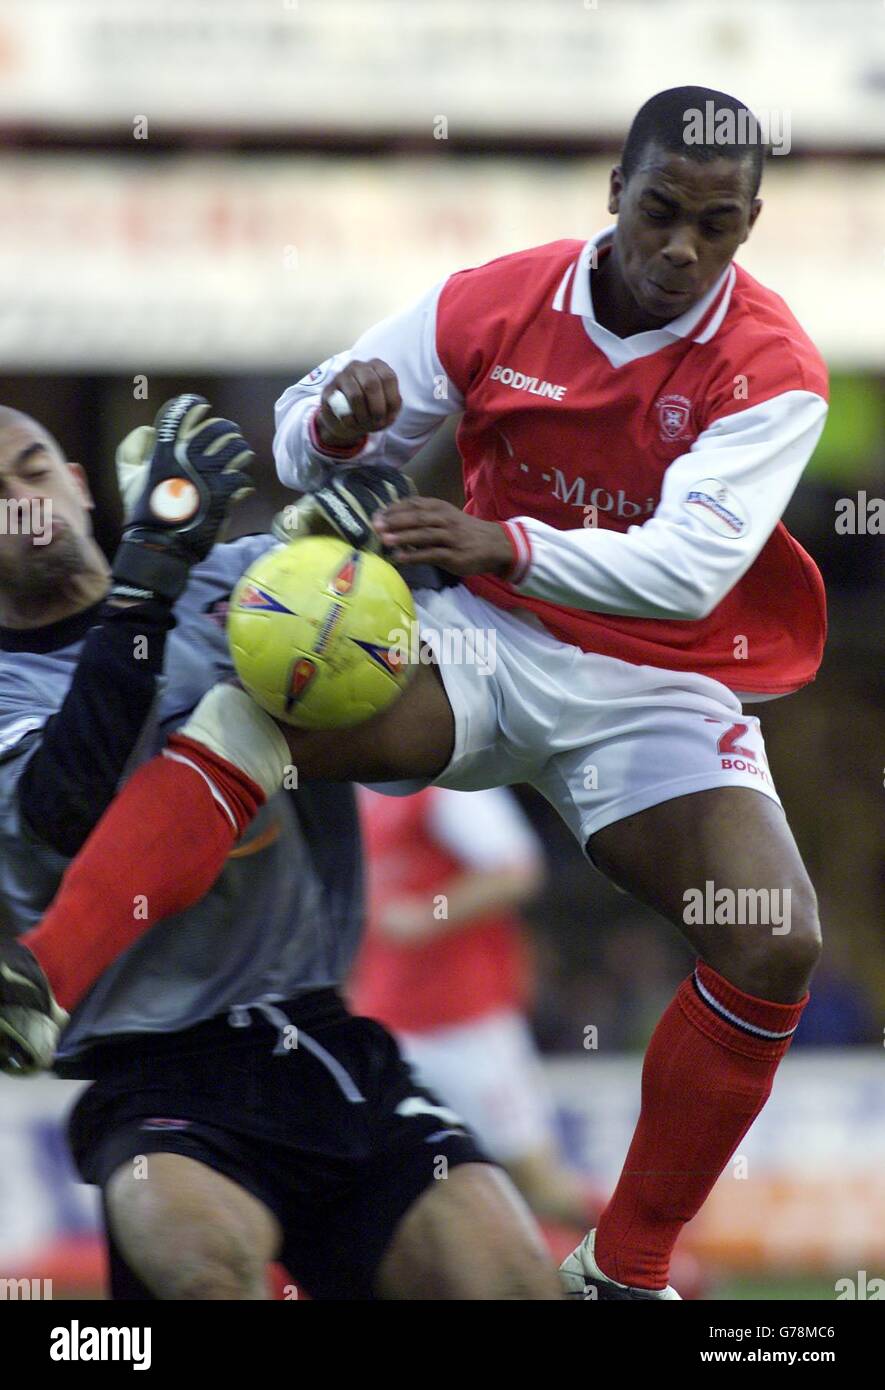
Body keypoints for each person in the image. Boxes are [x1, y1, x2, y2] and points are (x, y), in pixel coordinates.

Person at [8, 83, 828, 1300]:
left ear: (749, 224)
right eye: (660, 211)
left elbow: (690, 567)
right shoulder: (494, 302)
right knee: (269, 691)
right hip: (488, 644)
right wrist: (343, 428)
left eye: (717, 226)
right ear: (615, 188)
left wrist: (514, 545)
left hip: (659, 674)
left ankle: (630, 1269)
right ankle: (47, 976)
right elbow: (298, 434)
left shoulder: (774, 366)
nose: (680, 250)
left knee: (775, 940)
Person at [0, 401, 560, 1300]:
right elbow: (62, 808)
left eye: (32, 469)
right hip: (153, 1080)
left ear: (76, 485)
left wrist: (369, 529)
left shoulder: (244, 580)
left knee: (514, 1281)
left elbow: (392, 609)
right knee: (204, 1274)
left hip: (323, 1040)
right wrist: (144, 582)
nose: (21, 500)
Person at [352, 783, 599, 1228]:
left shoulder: (441, 787)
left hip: (465, 1022)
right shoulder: (354, 794)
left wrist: (428, 915)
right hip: (388, 1020)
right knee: (386, 1182)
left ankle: (650, 1266)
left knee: (535, 1180)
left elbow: (515, 871)